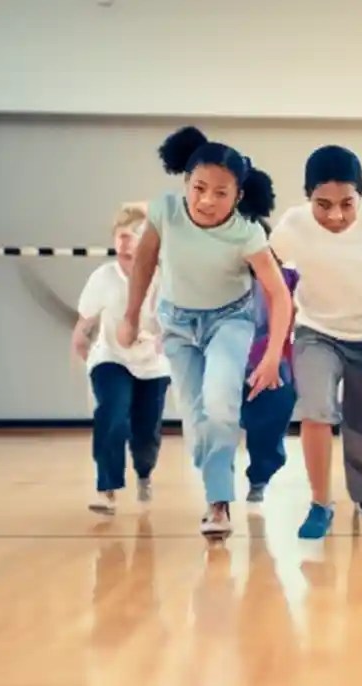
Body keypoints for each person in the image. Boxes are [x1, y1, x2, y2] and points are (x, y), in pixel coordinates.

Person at [118, 126, 291, 539]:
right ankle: (215, 469)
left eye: (220, 193)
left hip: (229, 322)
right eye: (199, 188)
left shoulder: (247, 232)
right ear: (186, 182)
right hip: (178, 326)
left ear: (238, 196)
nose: (207, 200)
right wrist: (130, 316)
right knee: (197, 422)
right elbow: (144, 264)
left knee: (219, 404)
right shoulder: (165, 211)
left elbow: (280, 295)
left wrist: (272, 357)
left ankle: (218, 504)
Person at [270, 145, 362, 539]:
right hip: (314, 331)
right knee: (316, 411)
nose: (335, 215)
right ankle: (320, 503)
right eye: (322, 205)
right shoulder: (293, 224)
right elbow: (266, 267)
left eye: (346, 204)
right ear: (308, 197)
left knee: (361, 424)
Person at [74, 204, 172, 513]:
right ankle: (107, 489)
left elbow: (173, 324)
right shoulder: (104, 277)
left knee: (145, 434)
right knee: (112, 413)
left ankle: (144, 473)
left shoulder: (164, 278)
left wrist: (164, 339)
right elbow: (85, 321)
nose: (126, 243)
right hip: (111, 358)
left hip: (152, 364)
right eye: (121, 236)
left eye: (133, 235)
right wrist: (82, 342)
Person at [239, 223, 300, 504]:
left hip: (275, 359)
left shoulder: (289, 278)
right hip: (229, 357)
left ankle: (260, 476)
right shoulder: (223, 279)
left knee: (270, 422)